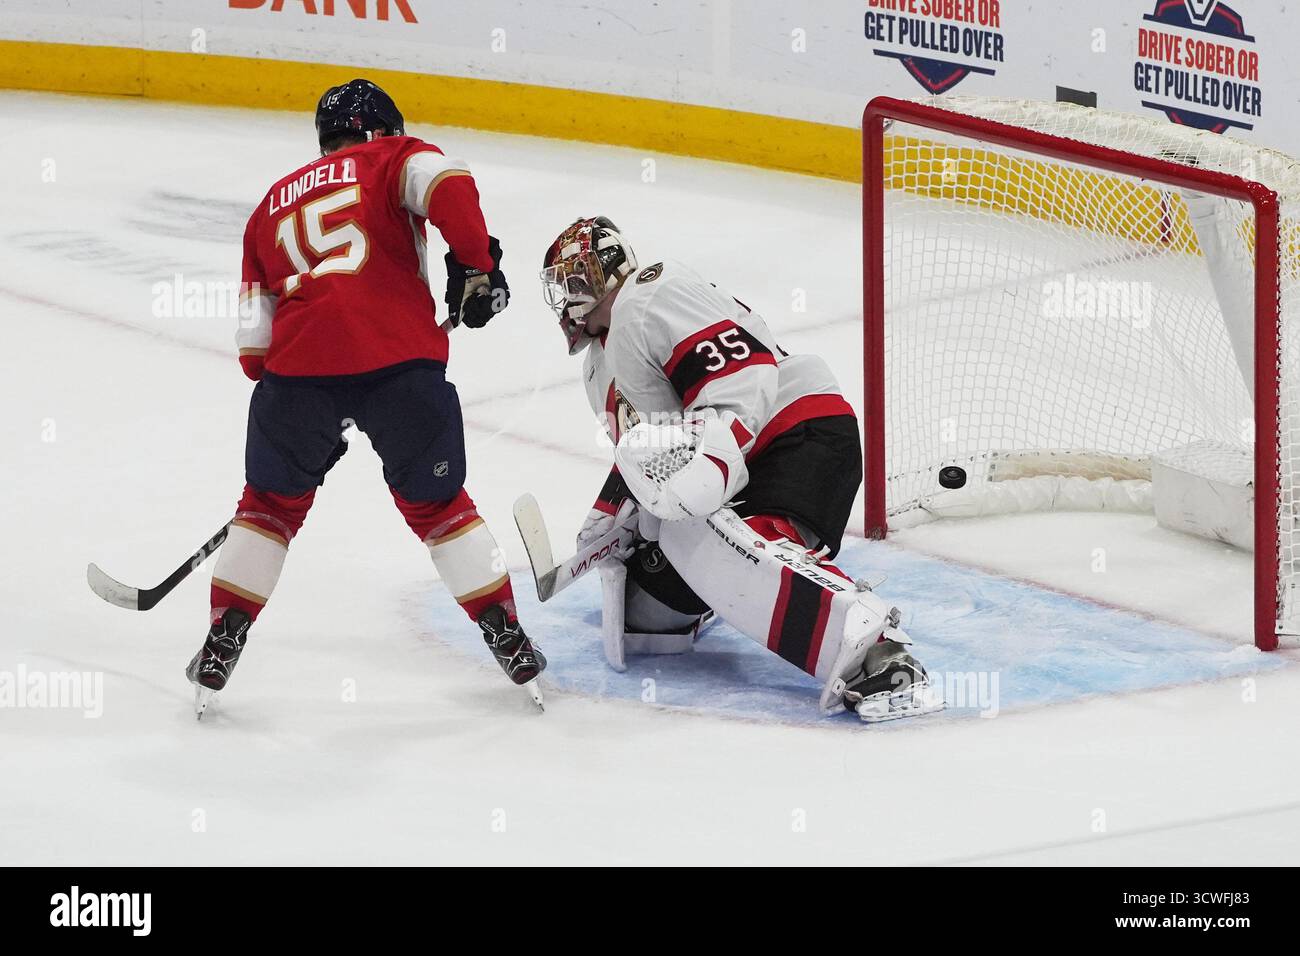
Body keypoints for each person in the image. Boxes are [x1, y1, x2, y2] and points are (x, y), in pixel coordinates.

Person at [186, 79, 543, 716]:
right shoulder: (392, 157)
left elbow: (252, 355)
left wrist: (313, 414)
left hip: (294, 381)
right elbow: (451, 186)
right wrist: (477, 263)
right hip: (400, 367)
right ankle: (505, 634)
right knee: (439, 508)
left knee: (268, 506)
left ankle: (221, 640)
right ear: (382, 129)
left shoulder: (268, 206)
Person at [539, 216, 942, 721]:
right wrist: (613, 510)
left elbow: (746, 374)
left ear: (611, 266)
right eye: (564, 283)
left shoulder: (646, 297)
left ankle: (881, 651)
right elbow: (652, 449)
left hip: (799, 433)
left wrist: (711, 461)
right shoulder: (598, 367)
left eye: (578, 277)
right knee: (646, 615)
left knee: (711, 545)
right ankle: (725, 584)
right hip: (744, 468)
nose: (570, 293)